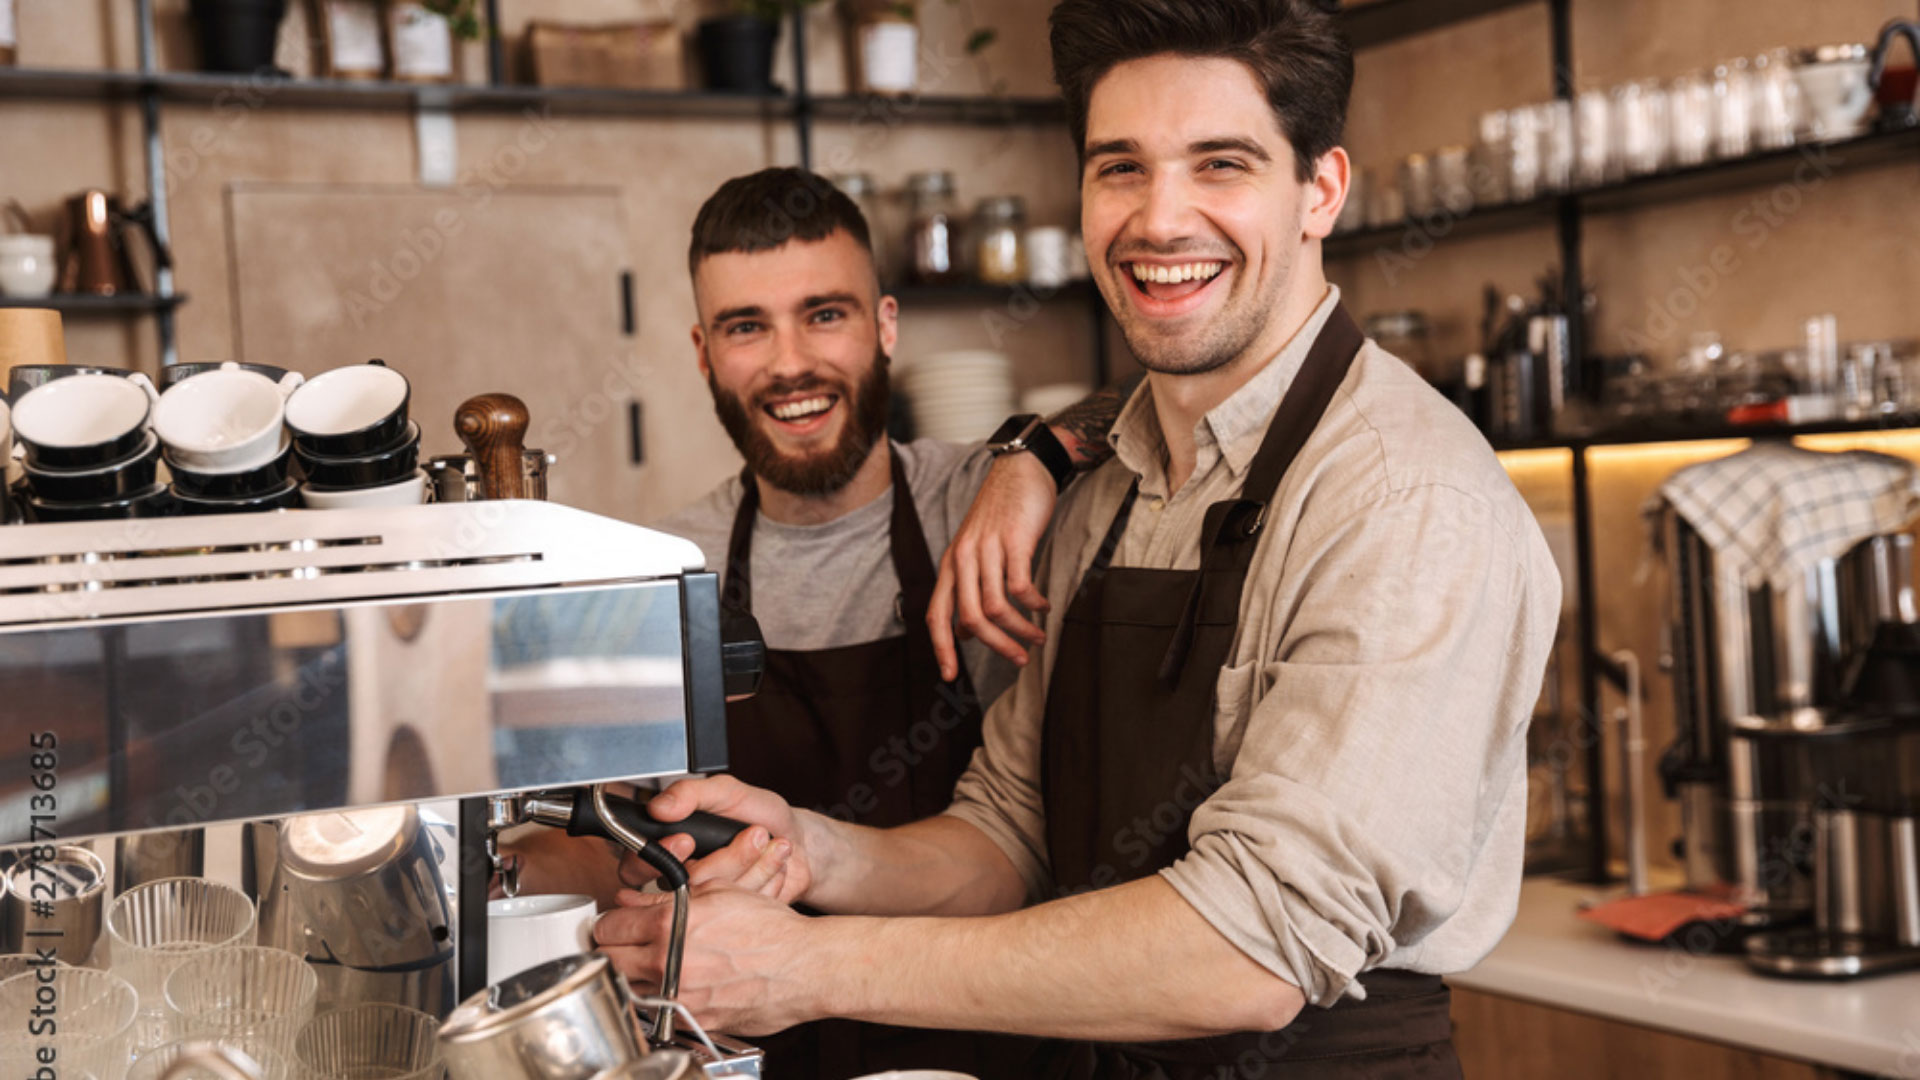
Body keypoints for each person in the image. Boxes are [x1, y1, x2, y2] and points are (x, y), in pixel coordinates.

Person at [597, 2, 1561, 1076]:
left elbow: (1257, 945)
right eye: (1120, 169)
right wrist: (803, 846)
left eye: (1221, 164)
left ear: (1320, 192)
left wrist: (810, 968)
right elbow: (1010, 833)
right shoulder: (1102, 486)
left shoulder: (1405, 499)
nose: (1160, 219)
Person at [519, 166, 1122, 1079]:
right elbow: (561, 846)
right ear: (701, 351)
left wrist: (1032, 455)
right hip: (755, 1048)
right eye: (746, 327)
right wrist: (644, 861)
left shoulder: (986, 501)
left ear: (885, 325)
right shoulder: (659, 570)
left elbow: (1153, 407)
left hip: (993, 1036)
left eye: (824, 314)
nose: (789, 362)